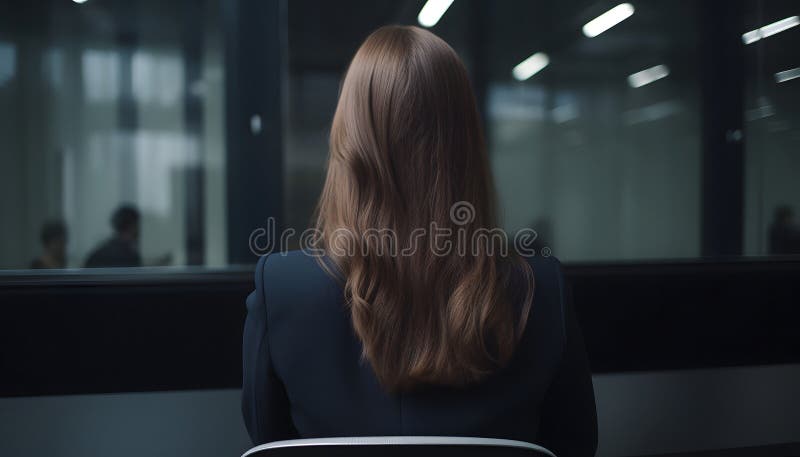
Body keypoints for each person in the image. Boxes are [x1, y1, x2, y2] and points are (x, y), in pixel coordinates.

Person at [242, 26, 597, 457]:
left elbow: (270, 443)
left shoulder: (282, 288)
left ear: (348, 144)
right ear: (465, 145)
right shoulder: (540, 291)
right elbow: (575, 445)